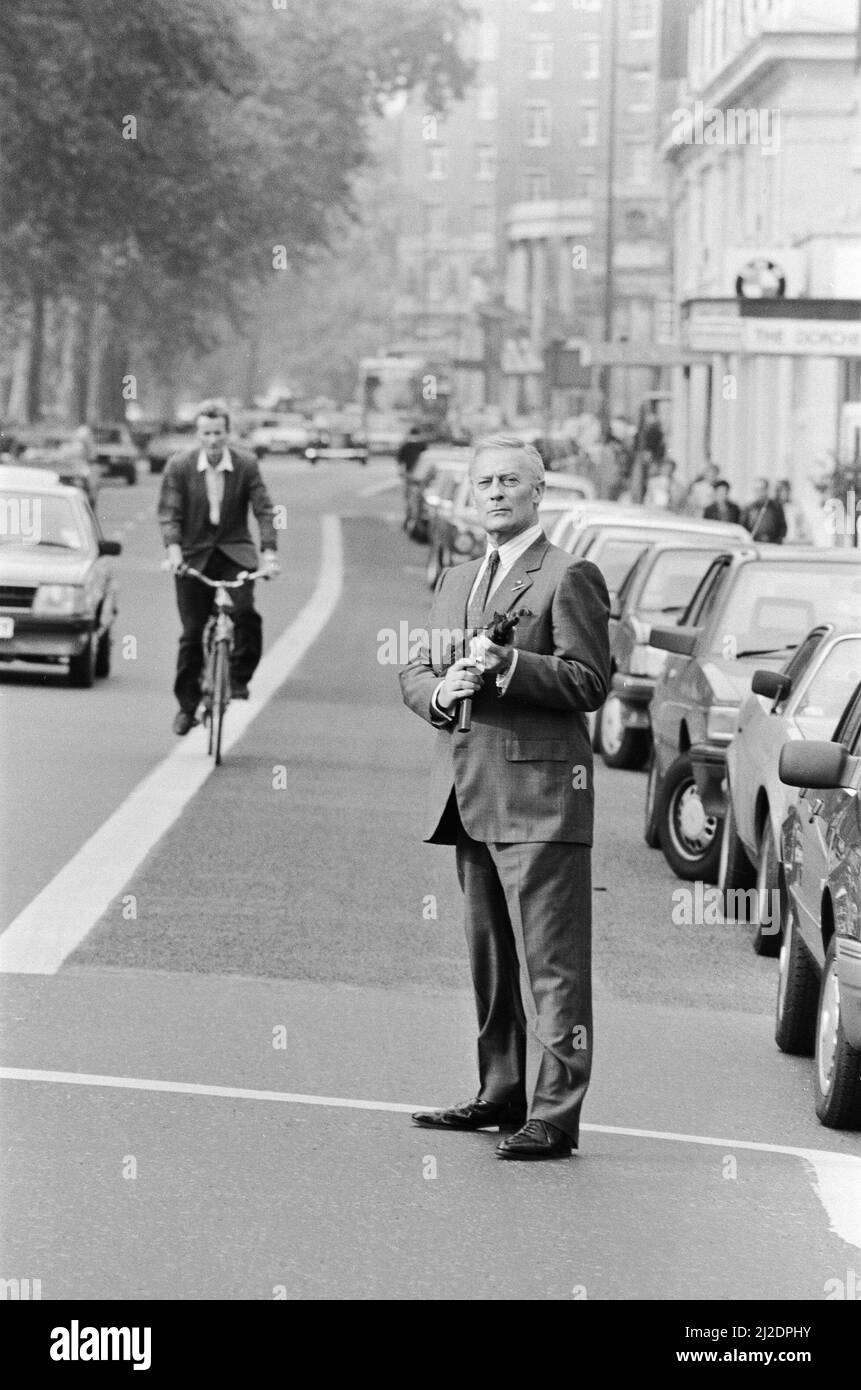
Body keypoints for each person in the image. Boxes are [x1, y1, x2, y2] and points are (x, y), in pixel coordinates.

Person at [400, 433, 611, 1161]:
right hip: (464, 791)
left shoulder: (568, 574)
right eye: (483, 482)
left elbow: (588, 681)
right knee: (490, 960)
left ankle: (554, 1113)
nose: (494, 493)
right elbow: (415, 669)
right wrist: (440, 690)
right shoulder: (455, 579)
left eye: (509, 482)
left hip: (541, 798)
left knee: (551, 966)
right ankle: (500, 1092)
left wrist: (509, 665)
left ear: (536, 493)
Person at [157, 400, 280, 735]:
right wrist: (174, 552)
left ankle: (238, 678)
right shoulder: (179, 467)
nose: (212, 440)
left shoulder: (246, 464)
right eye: (206, 434)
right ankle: (186, 706)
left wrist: (269, 554)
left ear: (228, 433)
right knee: (192, 633)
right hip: (192, 556)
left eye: (218, 433)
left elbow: (264, 510)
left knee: (245, 614)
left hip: (234, 554)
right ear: (198, 434)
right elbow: (170, 513)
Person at [743, 477, 787, 543]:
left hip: (772, 544)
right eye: (757, 489)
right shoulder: (749, 508)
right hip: (754, 543)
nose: (759, 492)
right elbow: (743, 527)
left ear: (766, 490)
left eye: (762, 489)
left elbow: (783, 527)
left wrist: (777, 540)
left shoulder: (776, 507)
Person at [775, 479, 811, 543]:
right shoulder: (774, 507)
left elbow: (803, 526)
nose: (781, 493)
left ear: (789, 490)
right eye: (779, 490)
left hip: (792, 542)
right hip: (778, 542)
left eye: (784, 490)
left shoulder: (796, 506)